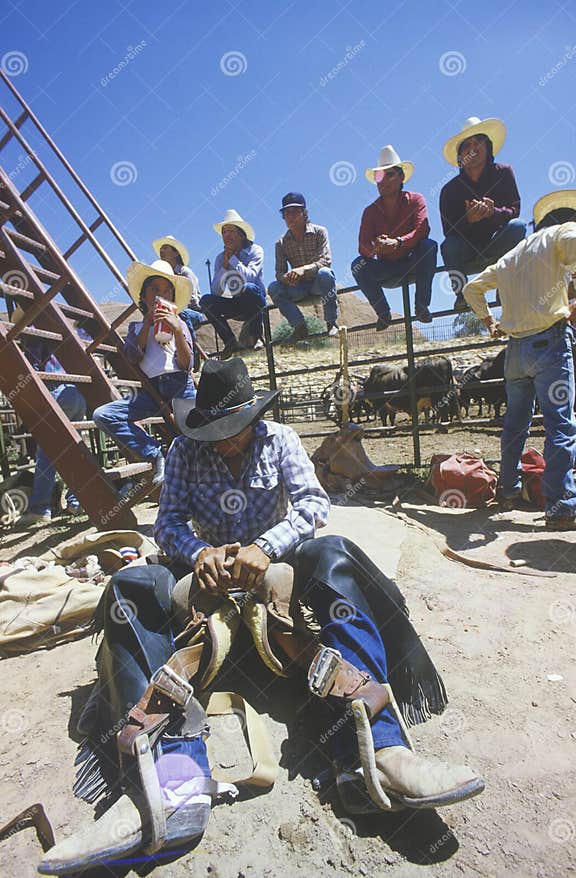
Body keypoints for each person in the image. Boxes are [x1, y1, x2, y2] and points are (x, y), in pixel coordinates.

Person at [38, 358, 484, 874]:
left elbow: (313, 505)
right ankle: (172, 774)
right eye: (217, 433)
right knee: (132, 585)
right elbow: (168, 525)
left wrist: (265, 547)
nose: (226, 443)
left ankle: (380, 748)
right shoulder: (185, 449)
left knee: (334, 552)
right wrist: (199, 551)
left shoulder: (280, 439)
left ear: (253, 416)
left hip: (277, 571)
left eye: (235, 431)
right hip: (206, 577)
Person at [463, 190, 576, 529]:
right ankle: (561, 504)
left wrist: (488, 322)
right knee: (560, 424)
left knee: (515, 424)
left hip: (515, 352)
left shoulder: (512, 255)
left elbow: (471, 288)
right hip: (550, 344)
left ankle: (507, 490)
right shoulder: (563, 233)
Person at [93, 259, 197, 485]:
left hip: (179, 385)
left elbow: (187, 364)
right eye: (155, 290)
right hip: (151, 391)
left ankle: (195, 481)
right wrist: (148, 324)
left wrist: (178, 331)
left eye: (167, 292)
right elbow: (132, 357)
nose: (161, 296)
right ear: (144, 296)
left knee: (198, 432)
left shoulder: (181, 324)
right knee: (103, 415)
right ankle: (154, 453)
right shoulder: (137, 328)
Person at [440, 116, 526, 311]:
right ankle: (462, 296)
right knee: (448, 245)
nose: (473, 148)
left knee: (518, 227)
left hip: (498, 243)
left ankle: (505, 285)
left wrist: (492, 212)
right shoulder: (449, 190)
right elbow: (448, 230)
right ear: (460, 157)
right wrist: (469, 219)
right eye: (467, 145)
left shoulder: (504, 173)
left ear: (488, 148)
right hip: (467, 250)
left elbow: (515, 210)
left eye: (478, 142)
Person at [12, 307, 87, 526]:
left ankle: (40, 508)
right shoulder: (59, 334)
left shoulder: (32, 337)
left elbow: (33, 371)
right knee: (74, 448)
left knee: (46, 452)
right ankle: (75, 501)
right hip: (75, 392)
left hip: (55, 393)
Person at [351, 145, 438, 328]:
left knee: (429, 245)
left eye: (389, 175)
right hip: (386, 267)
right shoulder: (370, 211)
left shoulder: (416, 200)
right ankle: (383, 313)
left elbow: (422, 230)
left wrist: (398, 242)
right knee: (357, 265)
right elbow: (362, 245)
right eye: (379, 176)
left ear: (401, 177)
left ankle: (421, 306)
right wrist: (376, 246)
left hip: (412, 261)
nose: (383, 181)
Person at [268, 193, 339, 343]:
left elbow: (326, 260)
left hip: (318, 284)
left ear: (304, 213)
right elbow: (279, 273)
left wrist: (304, 269)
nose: (291, 216)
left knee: (326, 273)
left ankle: (331, 322)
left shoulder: (319, 232)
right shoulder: (281, 243)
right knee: (273, 287)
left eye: (295, 211)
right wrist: (287, 278)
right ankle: (299, 327)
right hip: (297, 287)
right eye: (287, 213)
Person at [199, 209, 266, 359]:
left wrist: (234, 261)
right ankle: (230, 342)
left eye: (231, 231)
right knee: (206, 301)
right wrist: (224, 267)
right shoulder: (220, 258)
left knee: (248, 289)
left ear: (241, 235)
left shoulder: (256, 250)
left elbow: (250, 278)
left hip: (254, 300)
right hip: (235, 301)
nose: (226, 236)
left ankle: (256, 337)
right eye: (224, 232)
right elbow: (216, 291)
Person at [153, 235, 203, 333]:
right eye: (161, 249)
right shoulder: (165, 276)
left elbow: (193, 300)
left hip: (193, 312)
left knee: (179, 314)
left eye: (165, 248)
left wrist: (175, 307)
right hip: (174, 310)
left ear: (176, 253)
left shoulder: (185, 272)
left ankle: (189, 345)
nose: (161, 251)